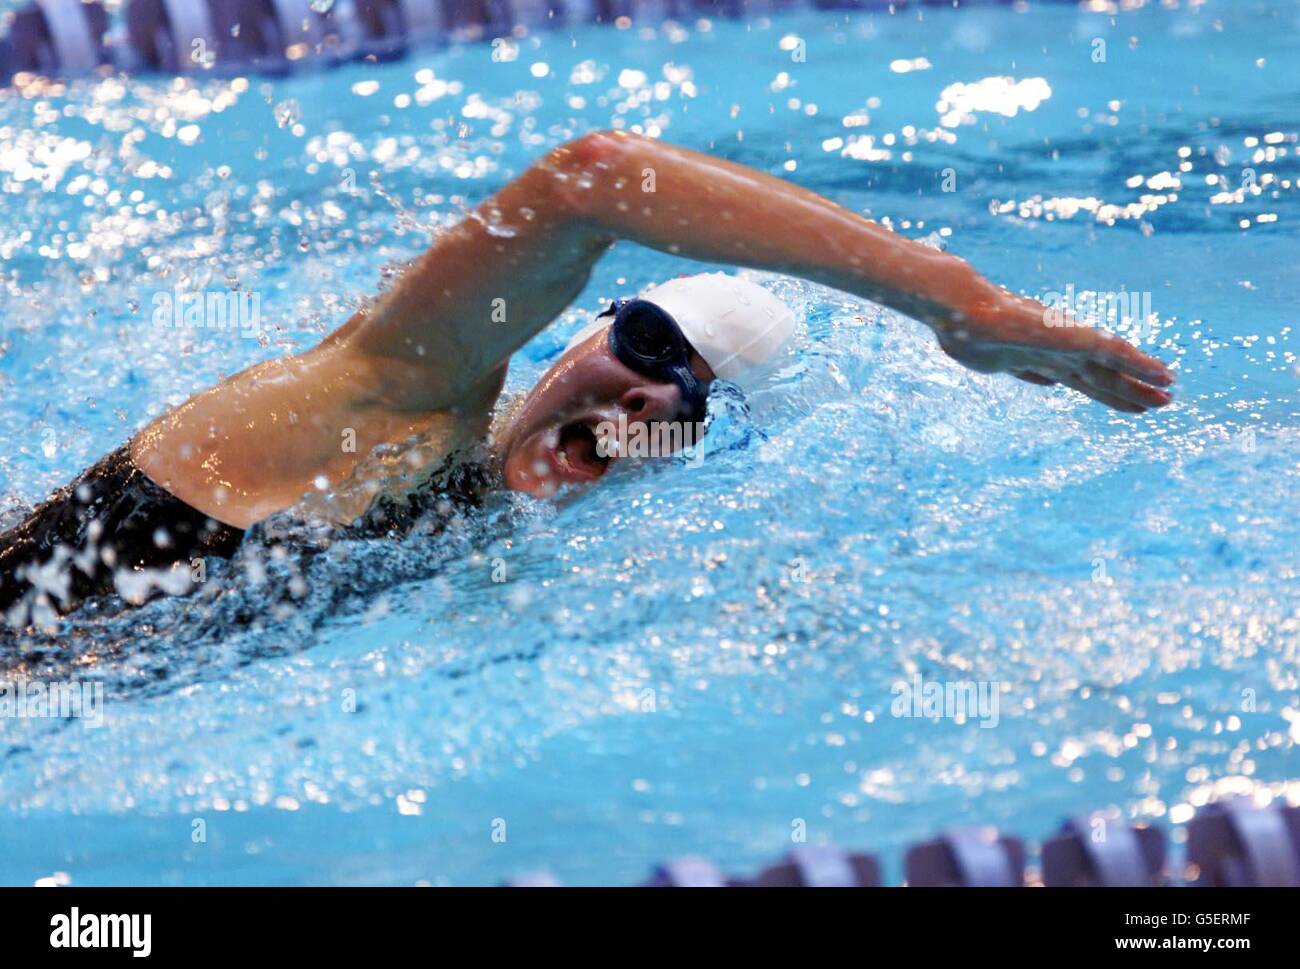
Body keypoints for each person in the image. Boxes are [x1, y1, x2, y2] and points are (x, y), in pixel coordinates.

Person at [0, 130, 1174, 621]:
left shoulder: (469, 548)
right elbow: (589, 179)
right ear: (575, 330)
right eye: (650, 345)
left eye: (695, 401)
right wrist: (950, 299)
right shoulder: (394, 403)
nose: (652, 396)